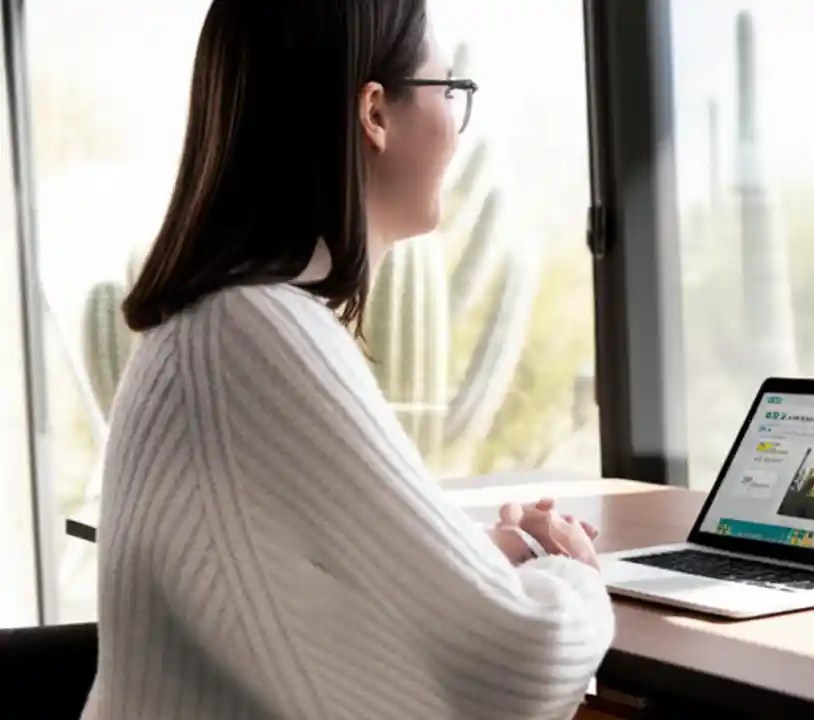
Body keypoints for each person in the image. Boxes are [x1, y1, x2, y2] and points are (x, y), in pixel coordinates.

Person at [82, 1, 614, 718]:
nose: (456, 128)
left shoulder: (221, 323)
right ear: (375, 114)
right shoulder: (253, 331)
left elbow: (277, 577)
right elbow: (517, 661)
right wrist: (572, 569)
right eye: (449, 91)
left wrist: (464, 557)